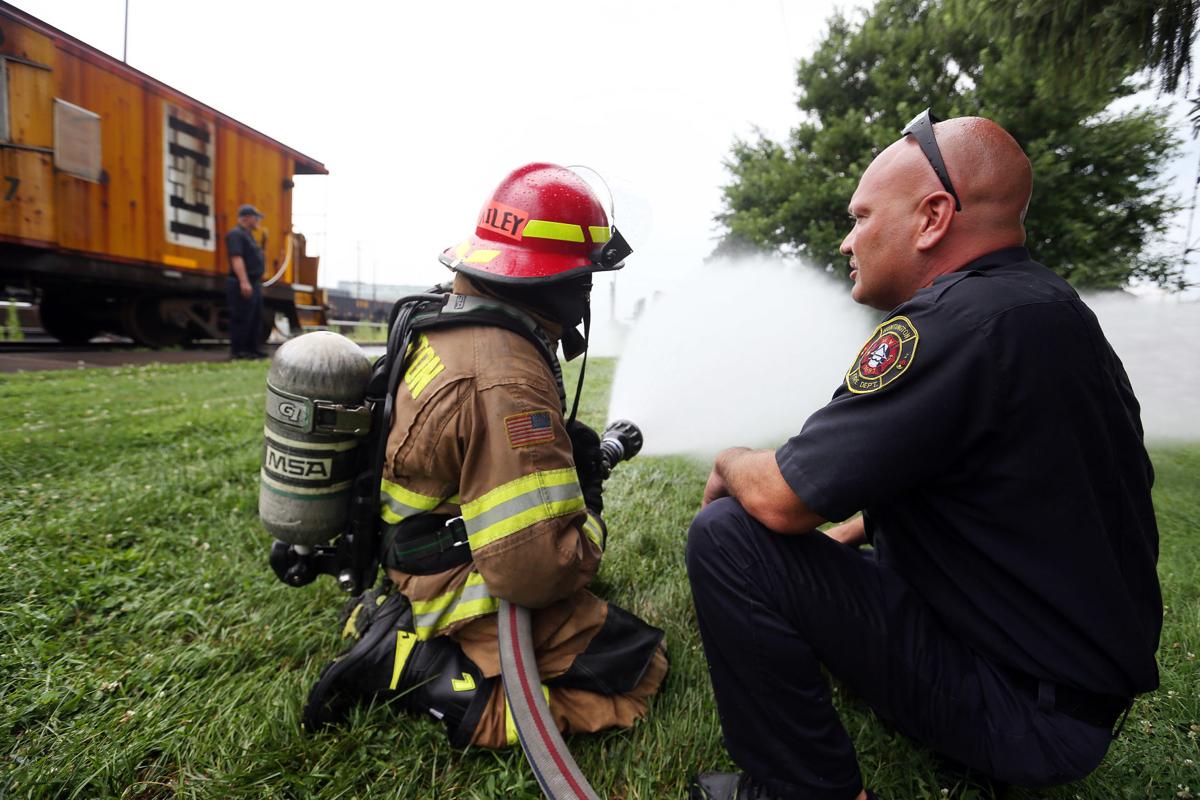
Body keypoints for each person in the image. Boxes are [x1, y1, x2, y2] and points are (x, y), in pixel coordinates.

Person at [686, 112, 1162, 800]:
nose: (848, 241)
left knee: (729, 537)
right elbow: (996, 489)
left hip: (1023, 718)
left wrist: (732, 459)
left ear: (933, 217)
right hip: (1069, 701)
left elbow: (781, 500)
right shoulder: (1047, 308)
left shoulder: (955, 325)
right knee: (834, 553)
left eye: (861, 216)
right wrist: (855, 535)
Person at [303, 163, 668, 748]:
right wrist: (587, 508)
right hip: (455, 576)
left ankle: (390, 617)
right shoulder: (504, 375)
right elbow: (534, 572)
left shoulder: (446, 319)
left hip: (415, 546)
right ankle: (414, 668)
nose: (586, 291)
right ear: (554, 277)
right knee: (633, 671)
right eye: (585, 277)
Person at [225, 203, 267, 360]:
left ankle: (252, 349)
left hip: (253, 282)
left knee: (255, 317)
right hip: (242, 282)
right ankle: (239, 351)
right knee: (242, 317)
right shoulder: (235, 235)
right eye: (257, 218)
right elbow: (237, 258)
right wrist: (244, 281)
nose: (259, 222)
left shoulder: (248, 235)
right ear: (248, 218)